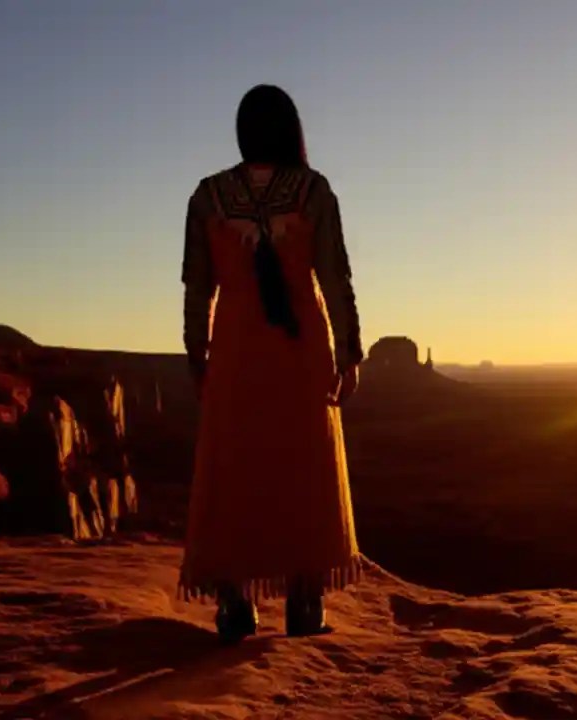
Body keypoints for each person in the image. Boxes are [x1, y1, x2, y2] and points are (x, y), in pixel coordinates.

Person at [178, 85, 363, 643]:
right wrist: (349, 351)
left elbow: (196, 287)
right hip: (301, 348)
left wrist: (196, 353)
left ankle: (234, 607)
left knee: (236, 466)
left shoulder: (209, 197)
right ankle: (305, 607)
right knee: (304, 465)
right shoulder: (313, 192)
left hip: (234, 350)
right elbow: (335, 277)